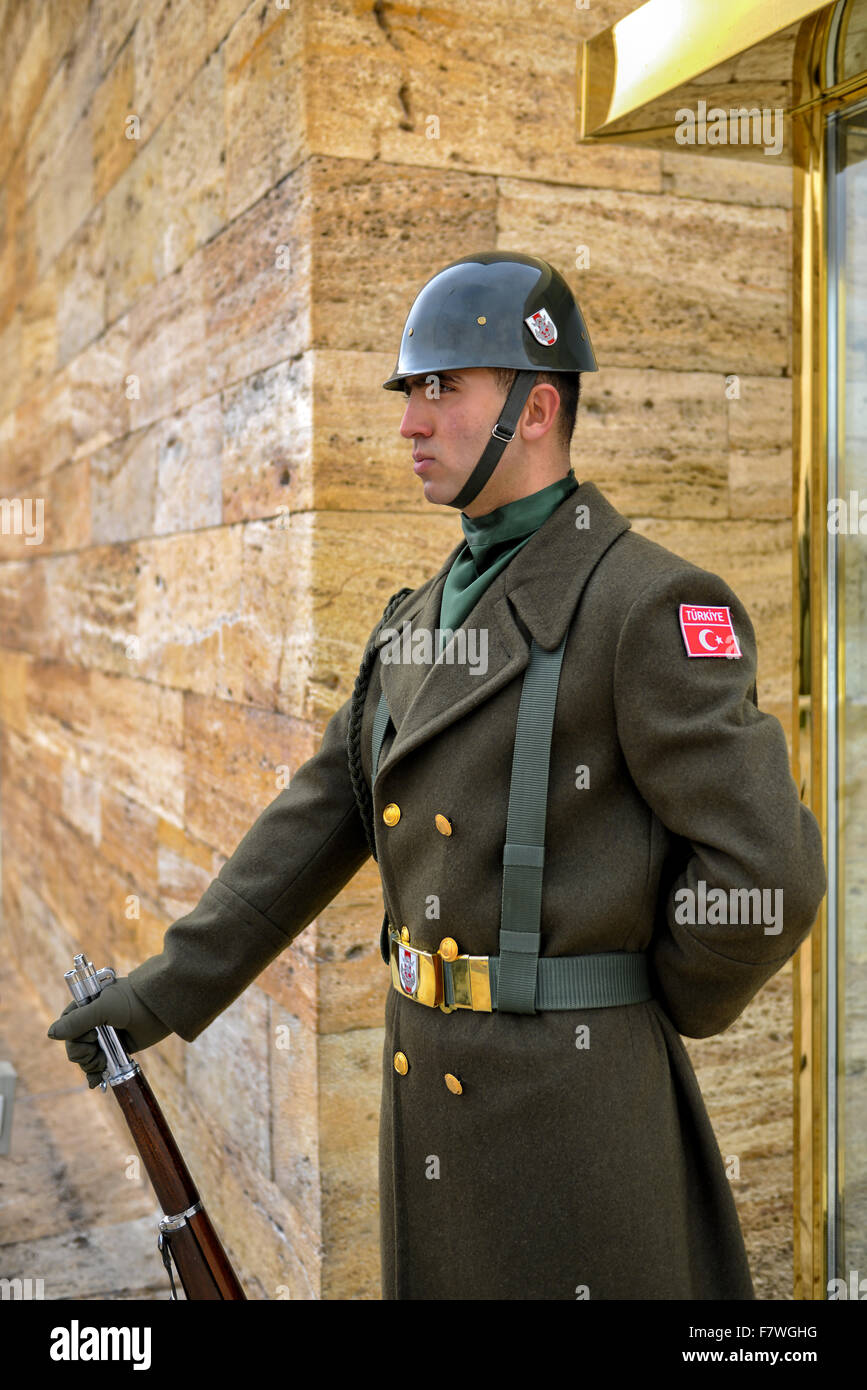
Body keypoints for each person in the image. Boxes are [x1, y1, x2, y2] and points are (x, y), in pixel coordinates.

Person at [49, 251, 827, 1300]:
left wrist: (629, 995)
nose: (411, 423)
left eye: (440, 389)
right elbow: (319, 821)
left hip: (577, 1123)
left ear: (537, 408)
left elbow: (769, 874)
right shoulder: (419, 619)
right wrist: (155, 993)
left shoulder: (646, 605)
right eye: (411, 394)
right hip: (430, 1105)